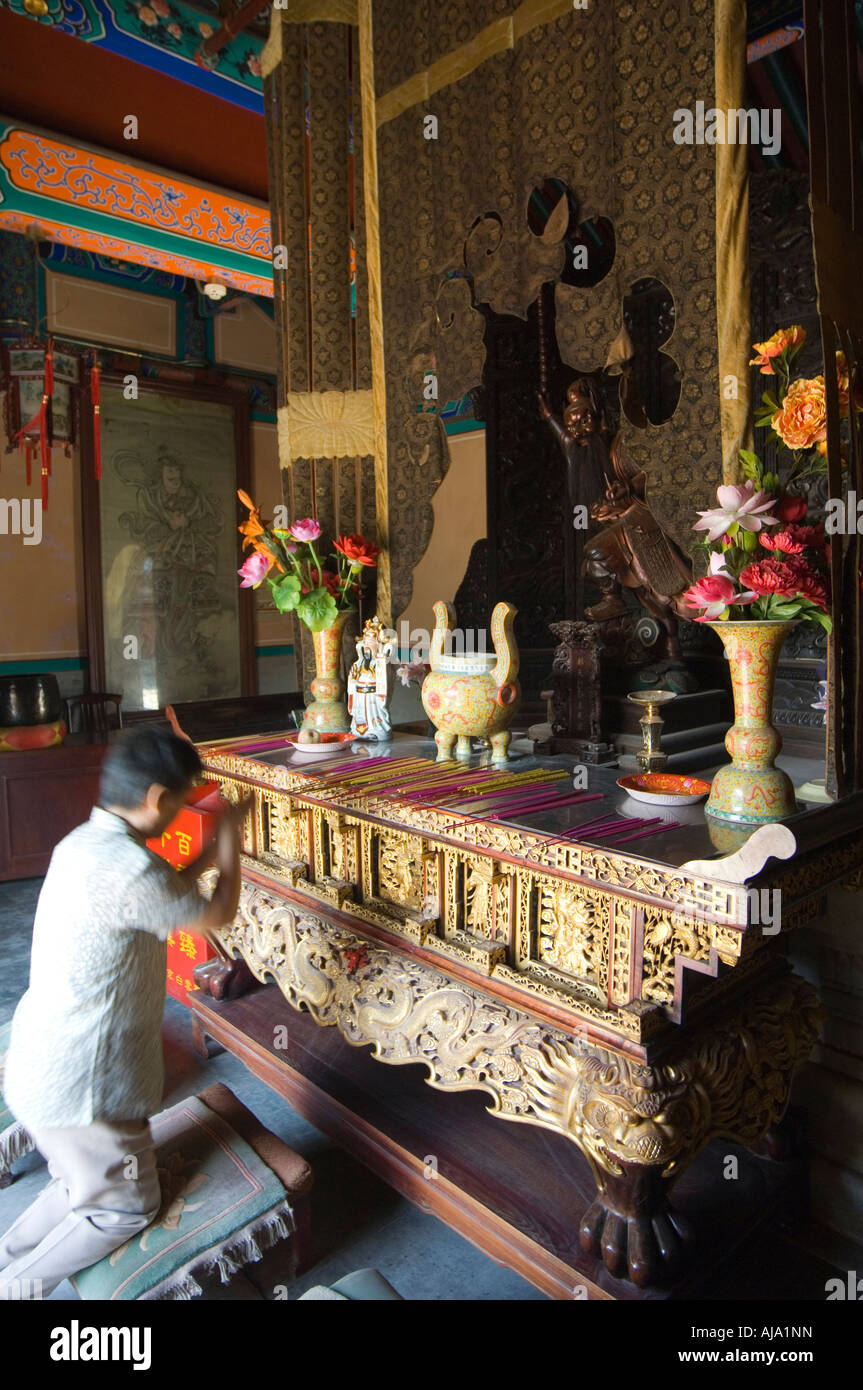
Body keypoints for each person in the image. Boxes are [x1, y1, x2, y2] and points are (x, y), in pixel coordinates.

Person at [0, 726, 249, 1299]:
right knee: (122, 1208)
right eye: (185, 802)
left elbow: (158, 900)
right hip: (83, 1090)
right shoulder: (136, 869)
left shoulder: (84, 845)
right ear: (158, 800)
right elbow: (216, 914)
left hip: (39, 1069)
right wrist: (231, 840)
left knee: (75, 1184)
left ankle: (8, 1262)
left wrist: (207, 852)